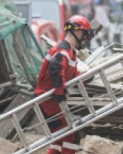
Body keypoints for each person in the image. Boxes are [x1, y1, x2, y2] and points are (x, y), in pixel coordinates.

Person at [34, 15, 94, 154]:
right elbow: (56, 68)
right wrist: (60, 92)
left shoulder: (69, 53)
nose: (85, 40)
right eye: (85, 35)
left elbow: (69, 73)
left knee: (59, 138)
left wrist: (83, 79)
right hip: (48, 101)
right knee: (71, 136)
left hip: (48, 100)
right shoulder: (63, 51)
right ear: (77, 32)